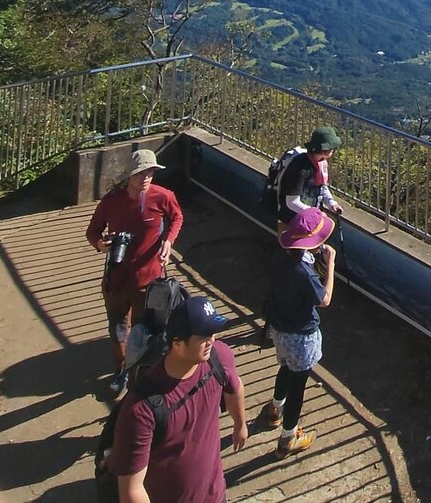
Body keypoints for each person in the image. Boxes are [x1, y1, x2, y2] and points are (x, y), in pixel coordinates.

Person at [107, 294, 252, 503]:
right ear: (177, 343)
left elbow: (235, 387)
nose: (212, 340)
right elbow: (131, 491)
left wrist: (240, 423)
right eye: (203, 335)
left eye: (212, 332)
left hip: (215, 495)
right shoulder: (141, 409)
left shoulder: (219, 357)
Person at [87, 148, 184, 388]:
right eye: (141, 173)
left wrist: (168, 241)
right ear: (129, 176)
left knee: (147, 330)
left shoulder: (163, 196)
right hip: (116, 279)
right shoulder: (111, 201)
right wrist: (101, 245)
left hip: (149, 281)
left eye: (150, 172)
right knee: (118, 328)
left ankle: (143, 374)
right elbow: (92, 231)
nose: (146, 178)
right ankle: (120, 370)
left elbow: (177, 217)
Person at [254, 206, 339, 455]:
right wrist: (330, 265)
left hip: (279, 330)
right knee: (298, 384)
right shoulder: (303, 272)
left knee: (285, 368)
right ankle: (287, 438)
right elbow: (324, 299)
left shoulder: (280, 257)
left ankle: (274, 409)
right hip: (301, 336)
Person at [262, 127, 342, 229]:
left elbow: (321, 187)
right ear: (326, 151)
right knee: (297, 245)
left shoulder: (320, 163)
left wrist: (331, 203)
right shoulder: (300, 169)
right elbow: (291, 202)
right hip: (291, 219)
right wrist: (315, 214)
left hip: (308, 217)